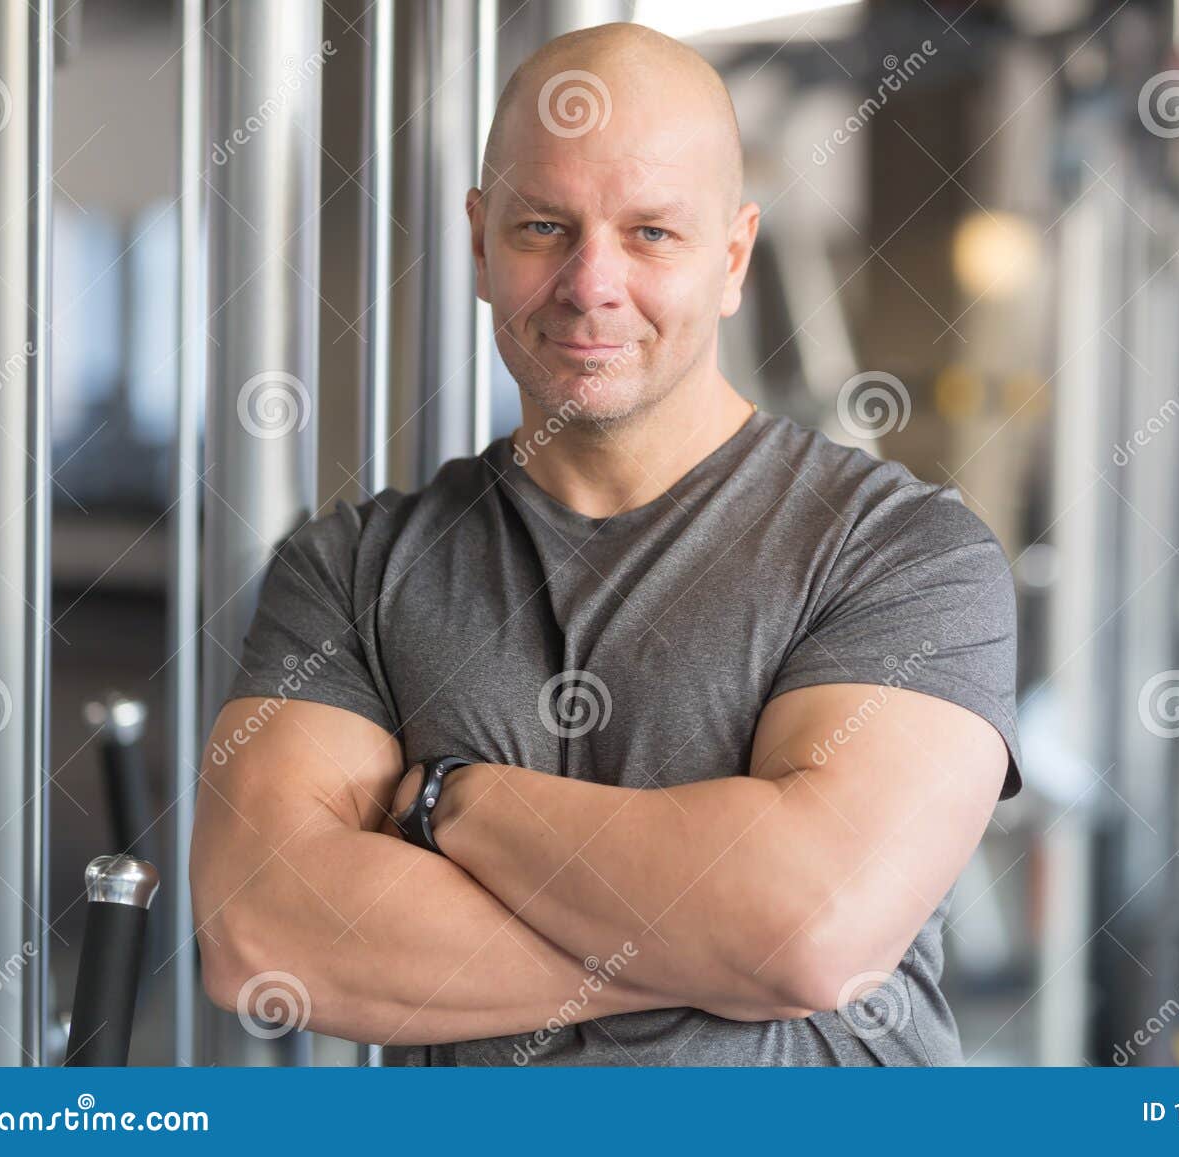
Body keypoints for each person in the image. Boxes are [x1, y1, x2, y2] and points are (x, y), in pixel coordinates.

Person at [190, 20, 1021, 1067]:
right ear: (480, 240)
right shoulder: (351, 568)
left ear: (730, 257)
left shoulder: (900, 554)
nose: (590, 283)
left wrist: (454, 799)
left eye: (651, 233)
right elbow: (264, 935)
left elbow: (808, 928)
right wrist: (713, 946)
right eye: (544, 227)